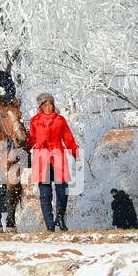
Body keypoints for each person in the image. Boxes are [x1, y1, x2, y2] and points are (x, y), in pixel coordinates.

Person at [28, 93, 79, 232]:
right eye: (45, 105)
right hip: (41, 157)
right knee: (45, 194)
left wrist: (74, 152)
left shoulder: (60, 120)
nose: (48, 107)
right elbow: (31, 139)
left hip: (58, 155)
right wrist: (23, 151)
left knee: (62, 191)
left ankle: (60, 217)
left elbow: (68, 137)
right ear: (40, 107)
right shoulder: (34, 121)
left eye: (50, 104)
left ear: (53, 105)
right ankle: (49, 224)